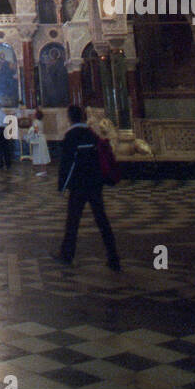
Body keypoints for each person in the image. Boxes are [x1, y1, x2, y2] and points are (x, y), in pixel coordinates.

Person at [52, 104, 120, 272]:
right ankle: (114, 257)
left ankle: (67, 255)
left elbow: (67, 164)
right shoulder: (92, 134)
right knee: (102, 220)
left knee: (72, 221)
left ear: (69, 118)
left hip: (78, 185)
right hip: (95, 183)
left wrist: (62, 186)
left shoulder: (71, 136)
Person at [29, 107, 51, 176]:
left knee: (40, 154)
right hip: (42, 138)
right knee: (43, 154)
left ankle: (43, 171)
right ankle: (43, 170)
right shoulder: (41, 122)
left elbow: (35, 131)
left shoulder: (35, 122)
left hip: (38, 139)